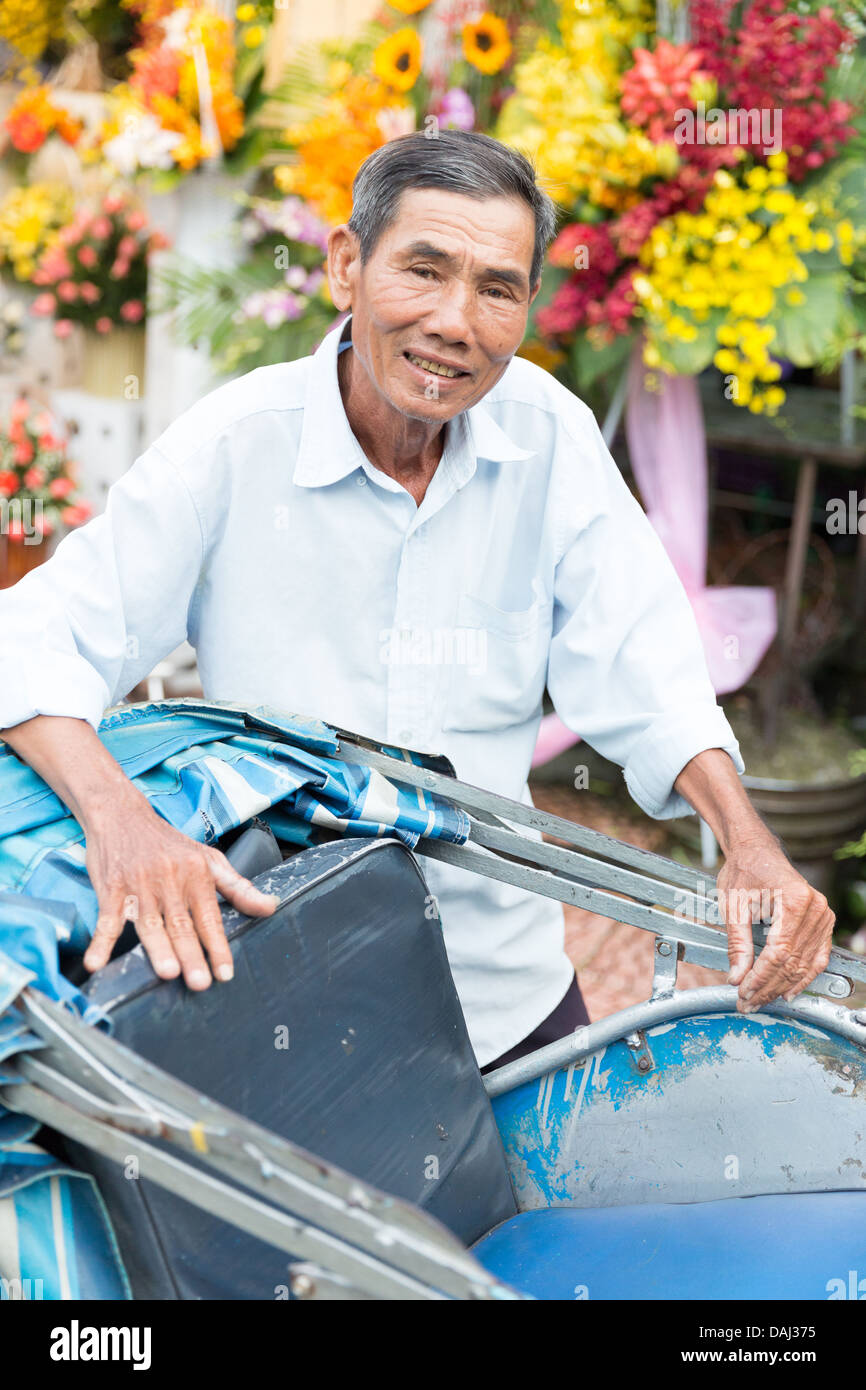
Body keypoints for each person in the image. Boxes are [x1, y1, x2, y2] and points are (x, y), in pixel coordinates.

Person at [0, 130, 833, 1071]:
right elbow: (35, 643)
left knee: (542, 1207)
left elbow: (644, 660)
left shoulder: (547, 432)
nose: (455, 322)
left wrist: (746, 839)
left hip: (501, 987)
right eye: (424, 270)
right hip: (283, 973)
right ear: (346, 266)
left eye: (497, 288)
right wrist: (127, 829)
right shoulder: (236, 444)